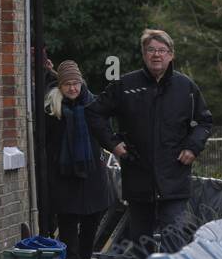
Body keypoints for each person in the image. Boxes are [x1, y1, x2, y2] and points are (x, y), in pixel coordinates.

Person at [86, 28, 213, 243]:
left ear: (171, 55)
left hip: (174, 178)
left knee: (175, 238)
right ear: (144, 55)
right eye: (151, 50)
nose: (157, 55)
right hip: (138, 176)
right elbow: (94, 112)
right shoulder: (125, 86)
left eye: (162, 50)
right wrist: (114, 145)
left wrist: (193, 147)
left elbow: (204, 121)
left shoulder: (186, 87)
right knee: (139, 243)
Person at [43, 59, 113, 259]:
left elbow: (105, 132)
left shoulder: (93, 104)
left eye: (76, 83)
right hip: (64, 174)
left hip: (92, 171)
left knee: (92, 219)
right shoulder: (52, 109)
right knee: (68, 221)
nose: (72, 88)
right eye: (67, 84)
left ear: (82, 83)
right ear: (60, 86)